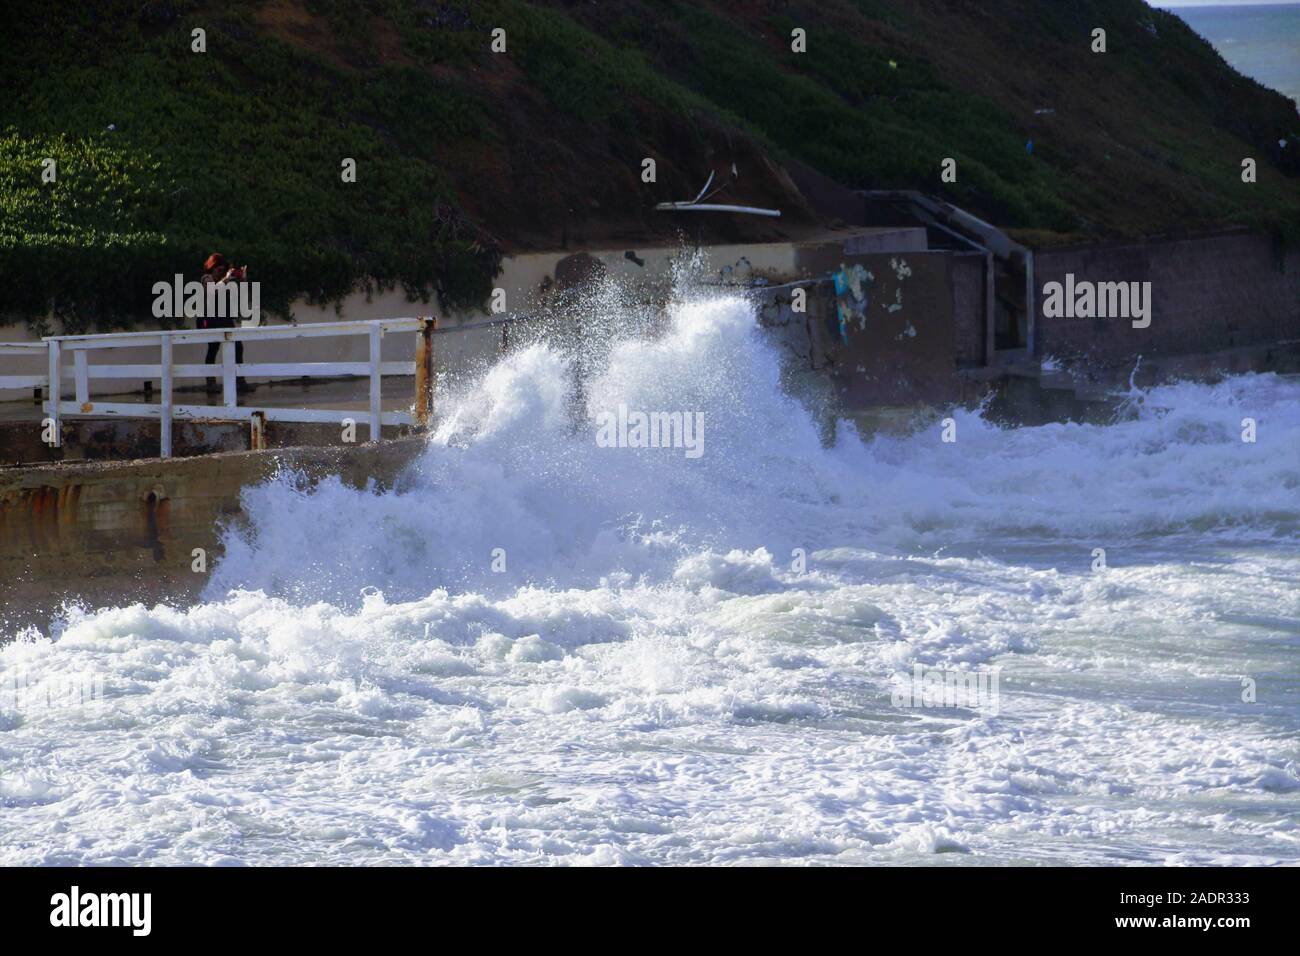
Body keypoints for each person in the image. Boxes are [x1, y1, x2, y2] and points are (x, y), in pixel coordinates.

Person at [199, 253, 248, 391]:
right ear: (212, 268)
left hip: (225, 318)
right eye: (218, 269)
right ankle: (210, 383)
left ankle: (240, 381)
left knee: (238, 347)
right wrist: (226, 279)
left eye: (223, 269)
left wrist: (242, 279)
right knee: (213, 348)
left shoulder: (225, 280)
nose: (220, 272)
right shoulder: (206, 278)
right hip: (210, 319)